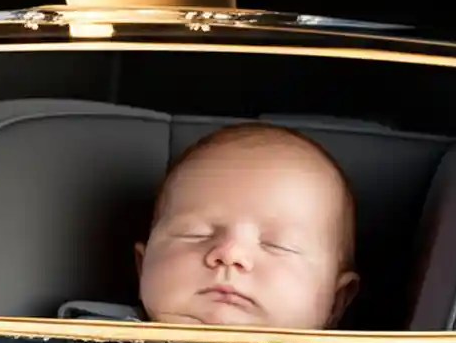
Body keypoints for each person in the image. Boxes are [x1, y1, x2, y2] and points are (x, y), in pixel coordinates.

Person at [60, 122, 360, 330]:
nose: (229, 254)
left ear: (337, 301)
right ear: (143, 266)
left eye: (277, 245)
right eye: (196, 234)